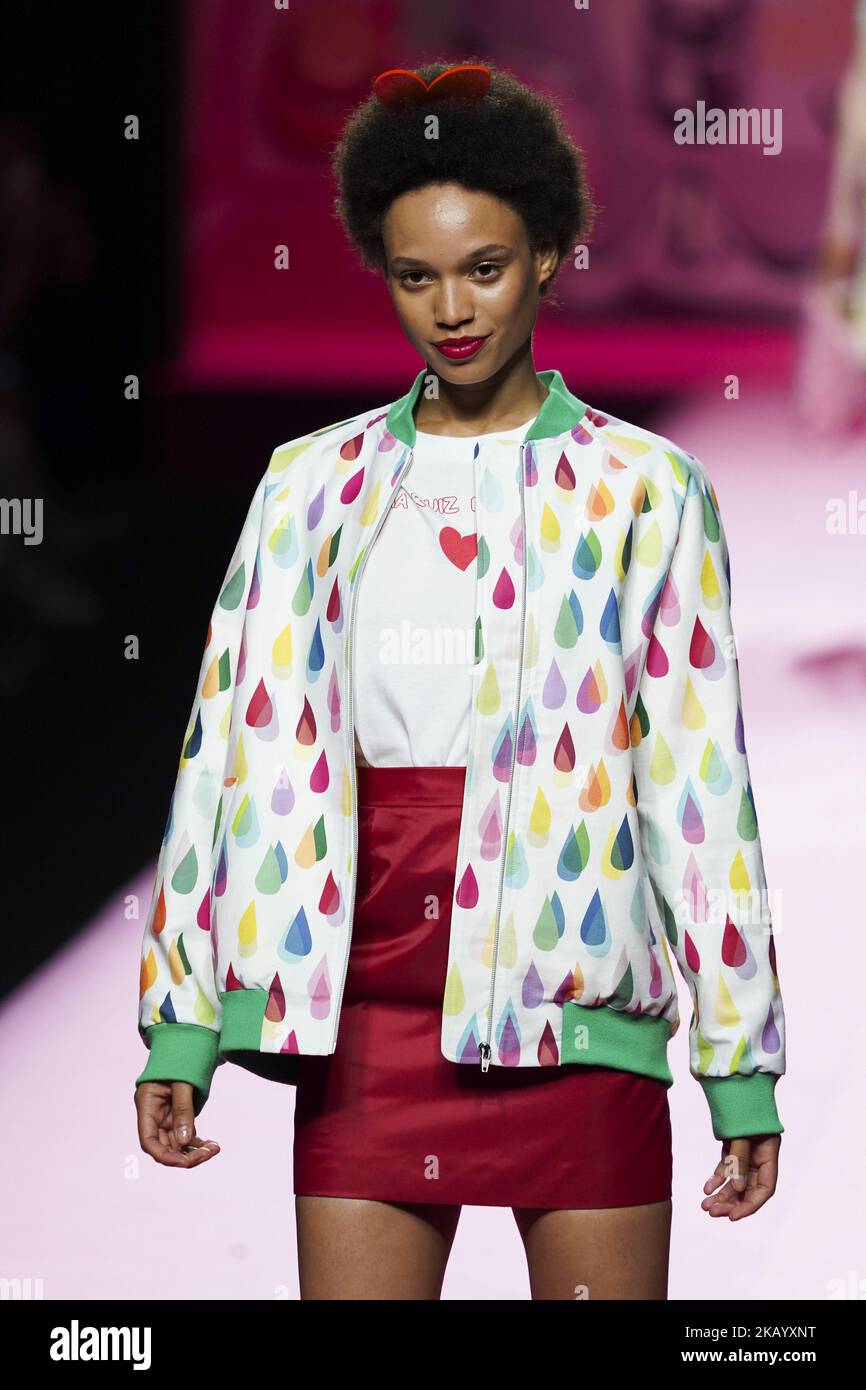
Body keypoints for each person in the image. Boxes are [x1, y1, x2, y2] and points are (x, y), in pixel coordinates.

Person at [134, 59, 786, 1301]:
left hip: (574, 1006)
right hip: (367, 1011)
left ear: (547, 253)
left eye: (483, 267)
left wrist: (736, 1057)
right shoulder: (307, 487)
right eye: (414, 275)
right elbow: (221, 751)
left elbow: (696, 787)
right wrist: (181, 1014)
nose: (451, 309)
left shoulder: (643, 488)